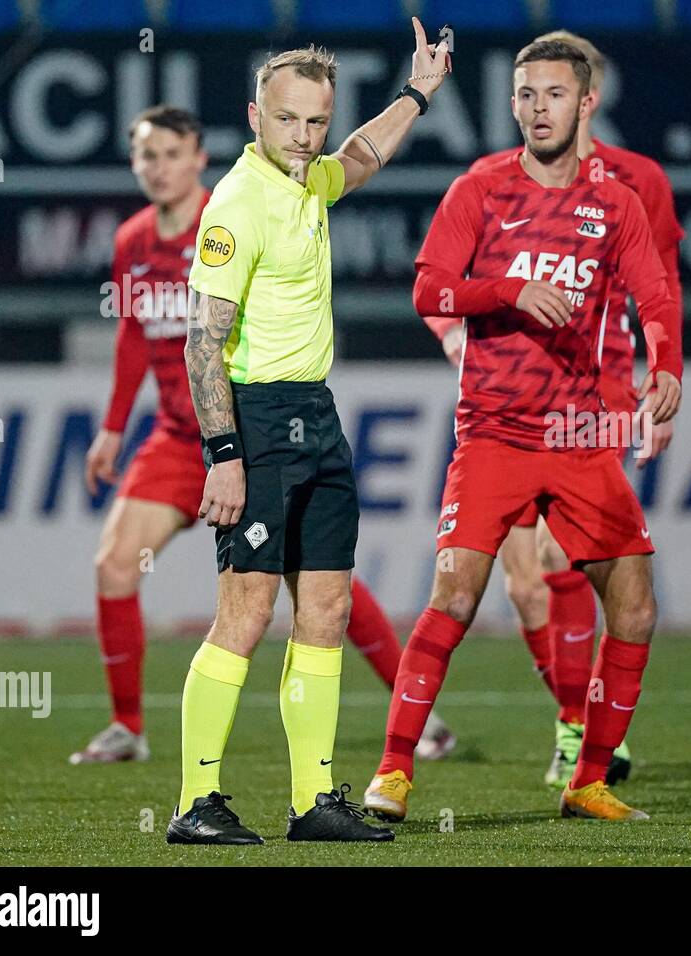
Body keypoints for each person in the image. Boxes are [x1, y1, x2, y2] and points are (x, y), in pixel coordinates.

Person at [71, 106, 455, 766]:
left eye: (170, 153)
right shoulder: (134, 239)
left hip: (248, 432)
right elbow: (134, 336)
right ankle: (128, 727)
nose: (157, 167)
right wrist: (111, 430)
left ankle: (416, 715)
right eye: (145, 155)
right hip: (175, 437)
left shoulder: (228, 213)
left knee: (315, 581)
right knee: (114, 564)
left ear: (198, 155)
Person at [365, 39, 682, 823]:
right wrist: (508, 289)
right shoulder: (481, 188)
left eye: (553, 94)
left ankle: (588, 780)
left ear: (586, 104)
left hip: (581, 435)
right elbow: (430, 288)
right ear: (512, 105)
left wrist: (666, 368)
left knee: (635, 605)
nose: (539, 107)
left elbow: (657, 296)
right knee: (457, 595)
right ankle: (395, 771)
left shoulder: (618, 204)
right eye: (525, 94)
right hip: (496, 434)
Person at [166, 21, 450, 845]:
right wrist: (223, 454)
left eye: (317, 121)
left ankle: (313, 802)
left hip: (316, 415)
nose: (305, 136)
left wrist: (417, 93)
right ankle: (195, 803)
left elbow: (362, 155)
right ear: (257, 118)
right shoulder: (237, 205)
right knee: (246, 613)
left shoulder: (309, 179)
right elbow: (201, 340)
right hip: (256, 420)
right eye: (288, 120)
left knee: (324, 607)